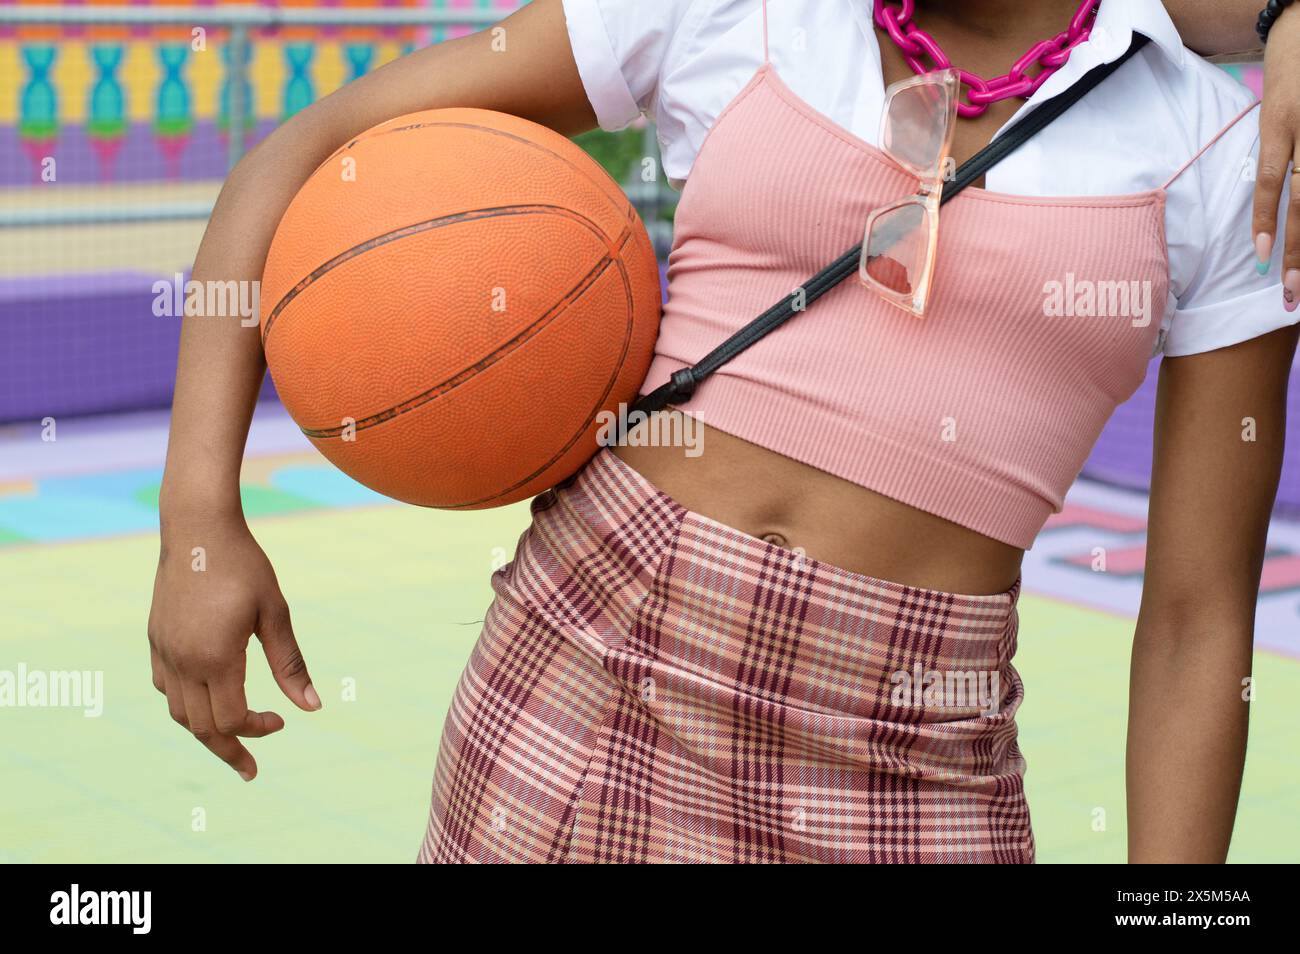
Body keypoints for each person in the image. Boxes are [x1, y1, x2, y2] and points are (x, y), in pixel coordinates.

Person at [148, 0, 1300, 863]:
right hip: (587, 668)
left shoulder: (1220, 151)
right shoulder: (723, 7)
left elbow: (1199, 622)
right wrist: (198, 518)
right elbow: (297, 154)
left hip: (915, 758)